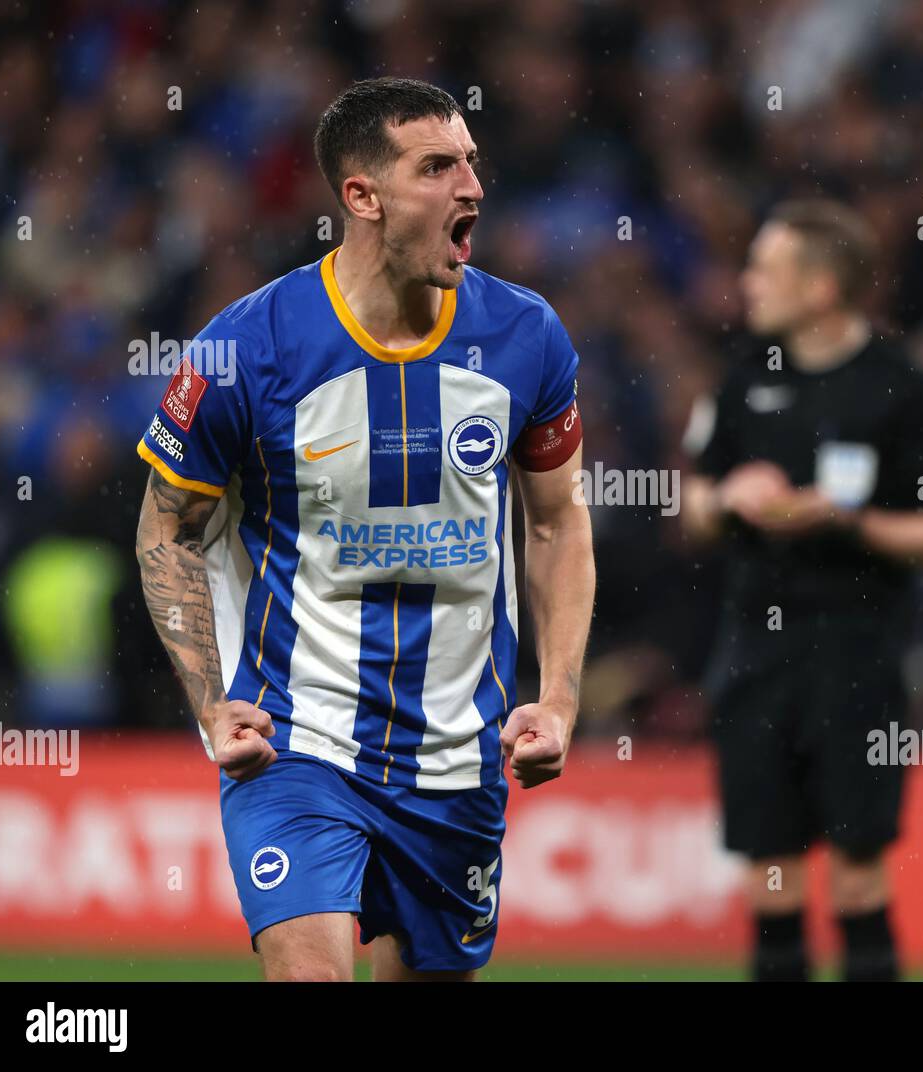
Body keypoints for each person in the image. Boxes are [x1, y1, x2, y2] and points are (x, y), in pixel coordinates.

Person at [134, 78, 595, 981]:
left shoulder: (527, 338)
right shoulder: (248, 350)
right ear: (362, 196)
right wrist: (209, 703)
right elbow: (165, 530)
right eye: (438, 166)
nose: (472, 185)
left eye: (471, 161)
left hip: (458, 757)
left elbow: (556, 526)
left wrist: (562, 697)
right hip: (298, 742)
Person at [682, 199, 923, 981]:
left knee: (856, 873)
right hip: (754, 658)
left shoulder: (902, 390)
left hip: (858, 658)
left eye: (765, 270)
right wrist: (729, 495)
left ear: (820, 288)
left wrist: (849, 521)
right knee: (771, 877)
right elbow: (692, 506)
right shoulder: (744, 379)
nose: (747, 283)